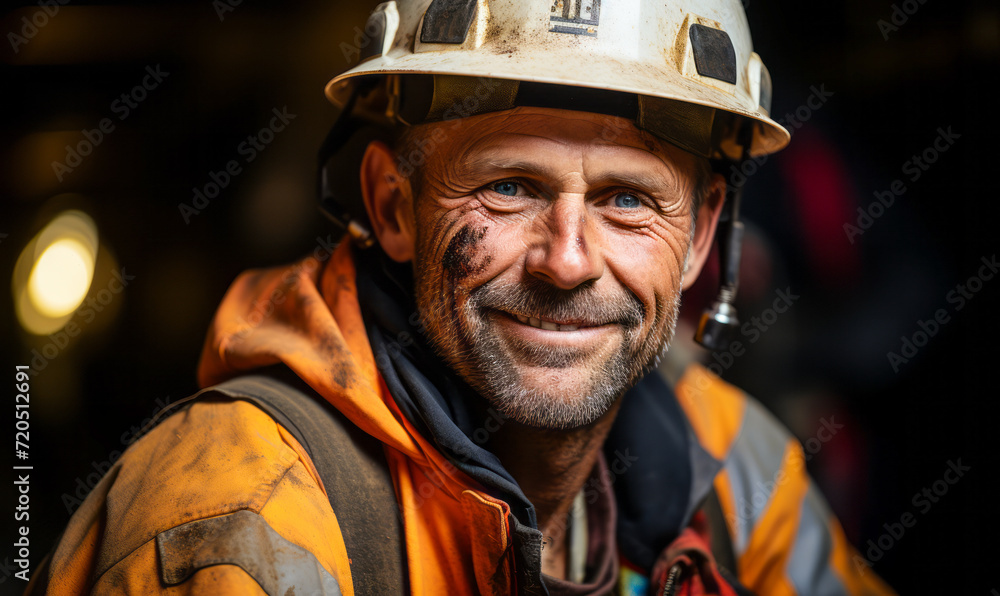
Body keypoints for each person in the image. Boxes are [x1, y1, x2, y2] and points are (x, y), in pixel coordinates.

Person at [27, 0, 895, 594]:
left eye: (628, 199)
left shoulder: (732, 467)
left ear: (701, 236)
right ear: (394, 207)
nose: (567, 262)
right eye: (510, 187)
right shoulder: (244, 514)